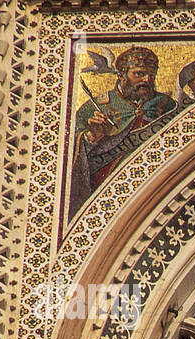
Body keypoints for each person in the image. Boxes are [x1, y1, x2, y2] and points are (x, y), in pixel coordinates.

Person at [68, 47, 182, 217]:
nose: (147, 80)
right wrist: (92, 137)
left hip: (157, 191)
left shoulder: (165, 106)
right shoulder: (96, 108)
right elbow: (67, 157)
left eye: (152, 75)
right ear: (121, 75)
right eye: (139, 74)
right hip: (108, 195)